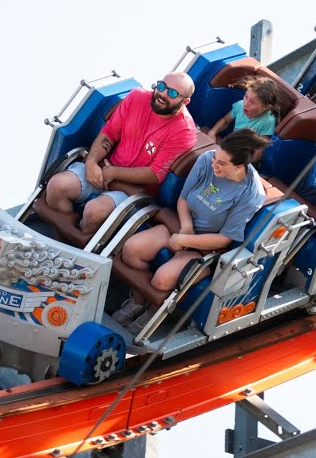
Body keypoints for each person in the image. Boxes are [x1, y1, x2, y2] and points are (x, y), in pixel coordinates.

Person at [112, 129, 268, 327]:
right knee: (131, 250)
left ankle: (152, 313)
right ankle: (137, 301)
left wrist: (185, 240)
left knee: (162, 279)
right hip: (180, 226)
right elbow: (184, 198)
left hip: (205, 247)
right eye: (215, 157)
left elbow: (225, 238)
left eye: (221, 163)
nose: (214, 165)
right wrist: (185, 227)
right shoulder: (206, 160)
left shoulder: (250, 193)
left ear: (239, 167)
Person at [44, 73, 199, 239]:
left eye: (172, 93)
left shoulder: (184, 131)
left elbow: (155, 174)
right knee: (56, 186)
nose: (162, 94)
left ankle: (78, 242)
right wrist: (91, 162)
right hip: (105, 169)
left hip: (133, 191)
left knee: (93, 212)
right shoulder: (137, 97)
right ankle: (60, 237)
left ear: (185, 101)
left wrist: (113, 172)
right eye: (161, 86)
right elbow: (109, 133)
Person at [207, 75, 281, 140]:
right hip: (230, 144)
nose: (245, 104)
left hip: (243, 153)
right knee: (205, 132)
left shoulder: (268, 121)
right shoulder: (240, 104)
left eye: (252, 102)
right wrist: (213, 132)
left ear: (266, 107)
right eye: (246, 96)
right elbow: (225, 121)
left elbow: (260, 148)